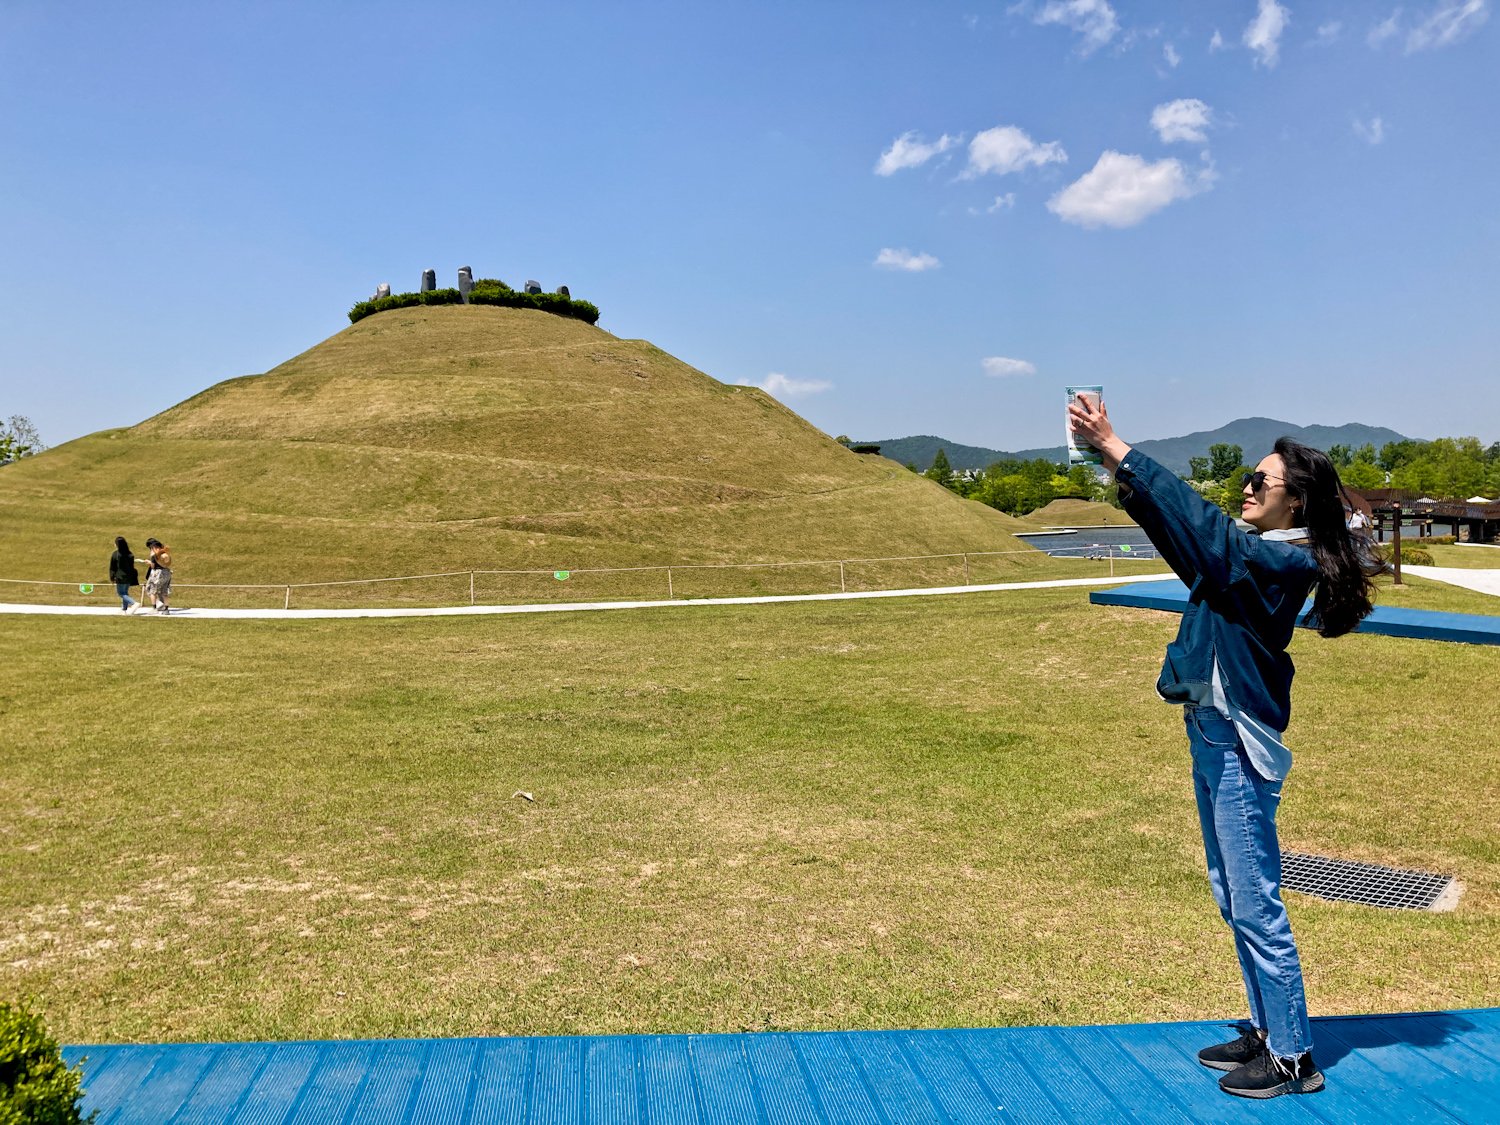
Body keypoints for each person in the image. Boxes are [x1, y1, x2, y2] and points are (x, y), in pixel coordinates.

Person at [1068, 397, 1378, 1101]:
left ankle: (1294, 1054)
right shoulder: (1247, 556)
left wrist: (1118, 446)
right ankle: (1269, 1029)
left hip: (1237, 743)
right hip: (1211, 733)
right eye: (1246, 477)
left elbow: (1207, 535)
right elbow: (1190, 543)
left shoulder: (1276, 562)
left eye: (1258, 482)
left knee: (1255, 898)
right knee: (1229, 892)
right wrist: (1121, 474)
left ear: (1294, 502)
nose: (1244, 488)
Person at [108, 536, 140, 613]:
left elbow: (112, 567)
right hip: (129, 576)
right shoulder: (130, 554)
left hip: (120, 577)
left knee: (121, 593)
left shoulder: (116, 554)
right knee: (125, 592)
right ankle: (124, 609)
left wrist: (112, 577)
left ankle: (134, 603)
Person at [143, 537, 173, 615]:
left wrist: (149, 562)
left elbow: (153, 566)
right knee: (164, 591)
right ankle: (166, 609)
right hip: (167, 573)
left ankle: (154, 608)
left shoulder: (154, 556)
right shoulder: (165, 554)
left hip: (157, 573)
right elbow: (166, 564)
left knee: (152, 590)